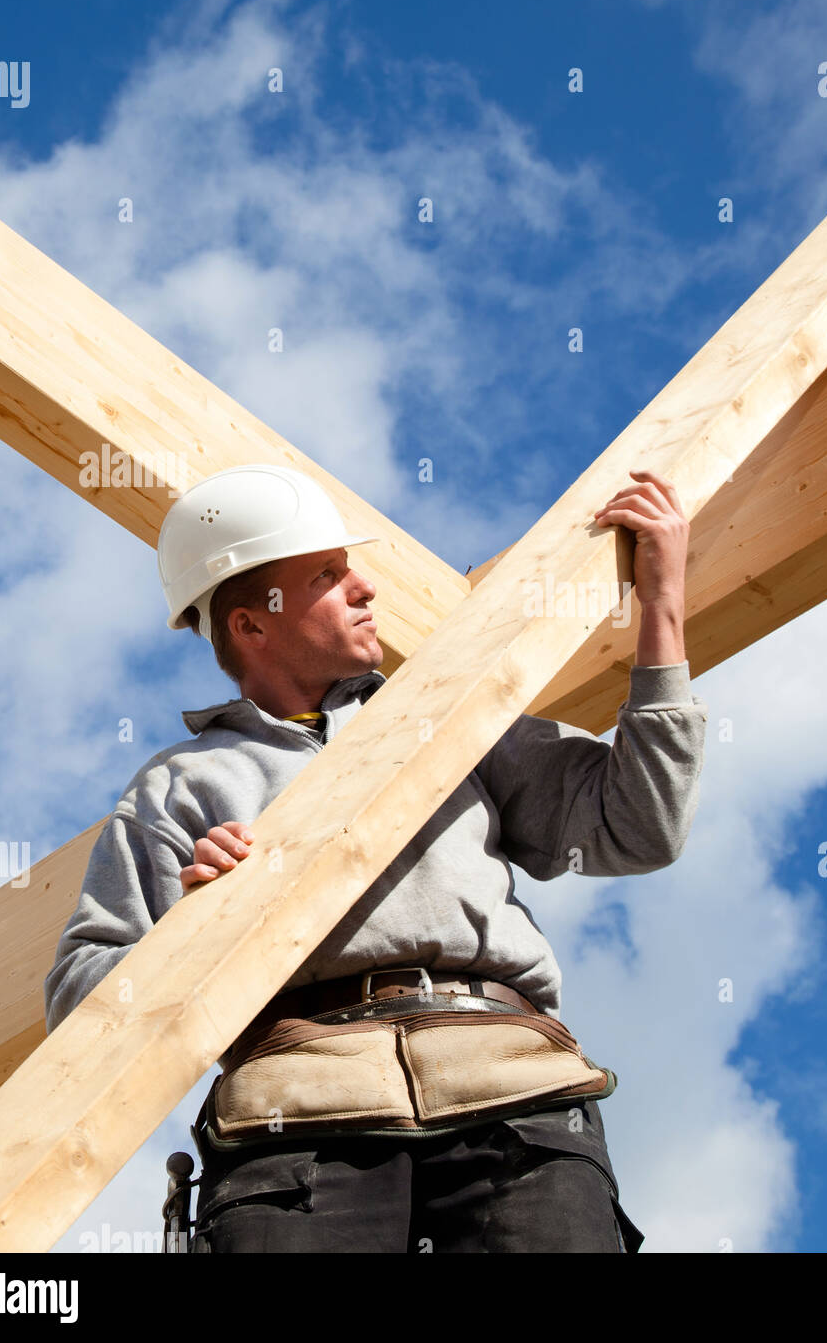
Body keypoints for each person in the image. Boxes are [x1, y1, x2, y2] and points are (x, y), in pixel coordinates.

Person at [44, 463, 706, 1253]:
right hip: (296, 1125)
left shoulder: (449, 718)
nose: (365, 587)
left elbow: (641, 827)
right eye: (328, 575)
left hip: (508, 1093)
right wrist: (187, 932)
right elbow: (80, 1004)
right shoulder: (180, 784)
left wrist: (662, 611)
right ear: (254, 625)